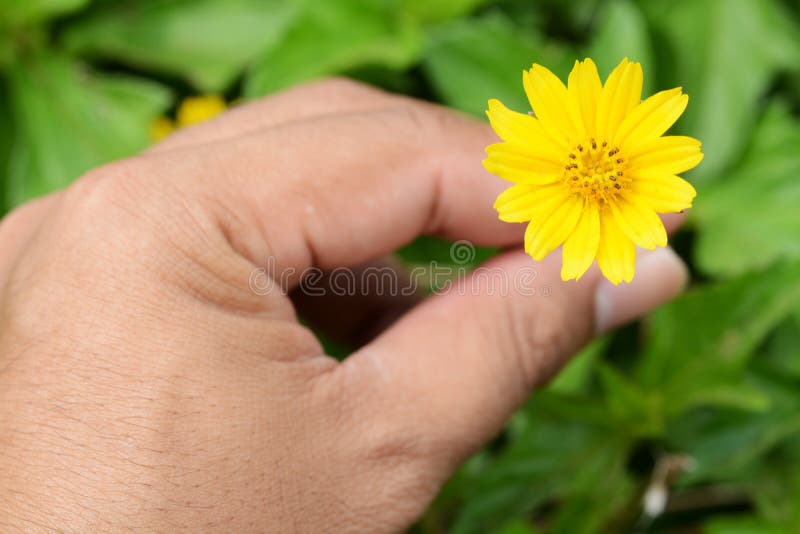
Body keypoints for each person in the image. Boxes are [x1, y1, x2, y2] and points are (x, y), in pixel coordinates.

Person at [0, 79, 687, 532]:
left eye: (602, 166)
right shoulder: (547, 184)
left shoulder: (635, 163)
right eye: (593, 163)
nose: (598, 169)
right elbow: (515, 198)